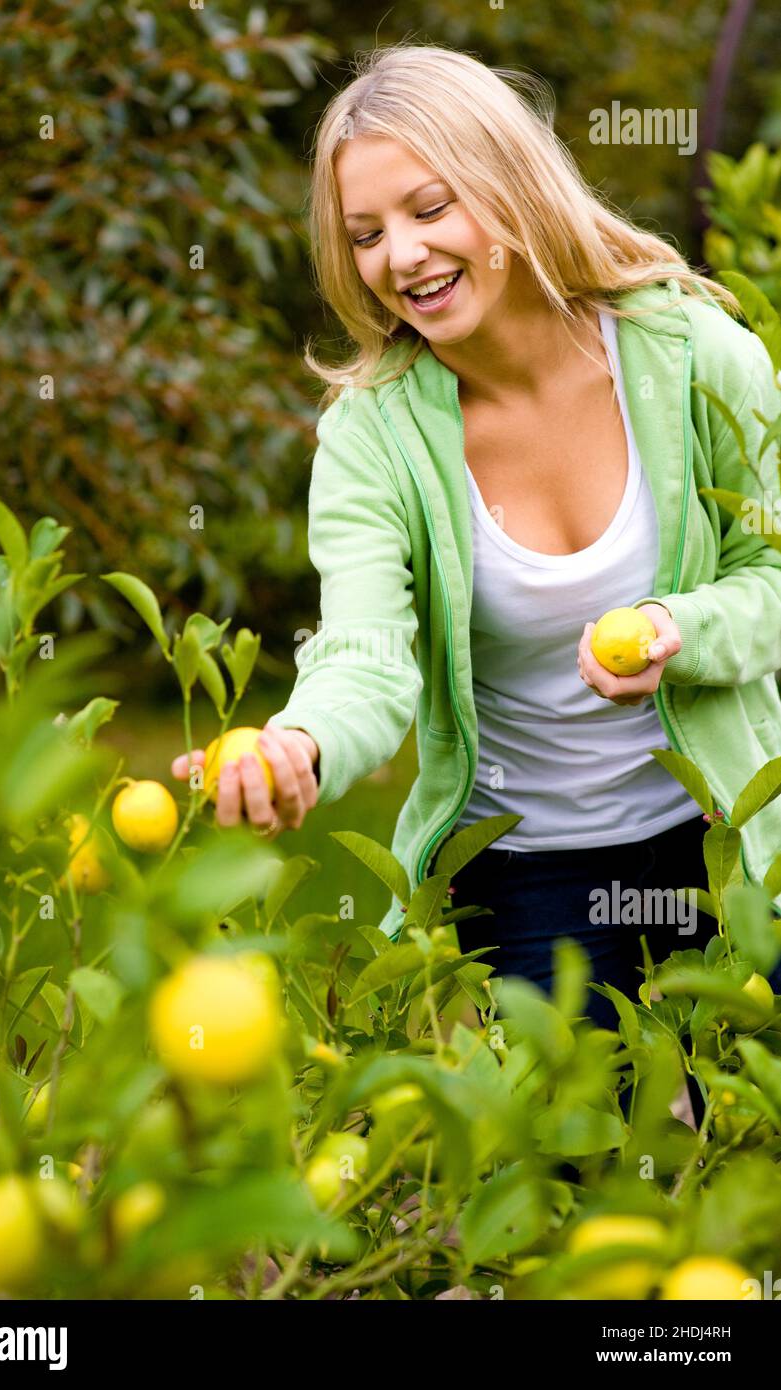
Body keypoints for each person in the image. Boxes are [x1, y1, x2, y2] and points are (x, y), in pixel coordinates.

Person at [173, 43, 781, 1029]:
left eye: (427, 208)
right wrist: (299, 744)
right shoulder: (372, 437)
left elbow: (770, 578)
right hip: (531, 878)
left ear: (510, 186)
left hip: (735, 830)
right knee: (589, 1155)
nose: (399, 256)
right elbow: (366, 657)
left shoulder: (696, 358)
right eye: (364, 233)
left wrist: (679, 628)